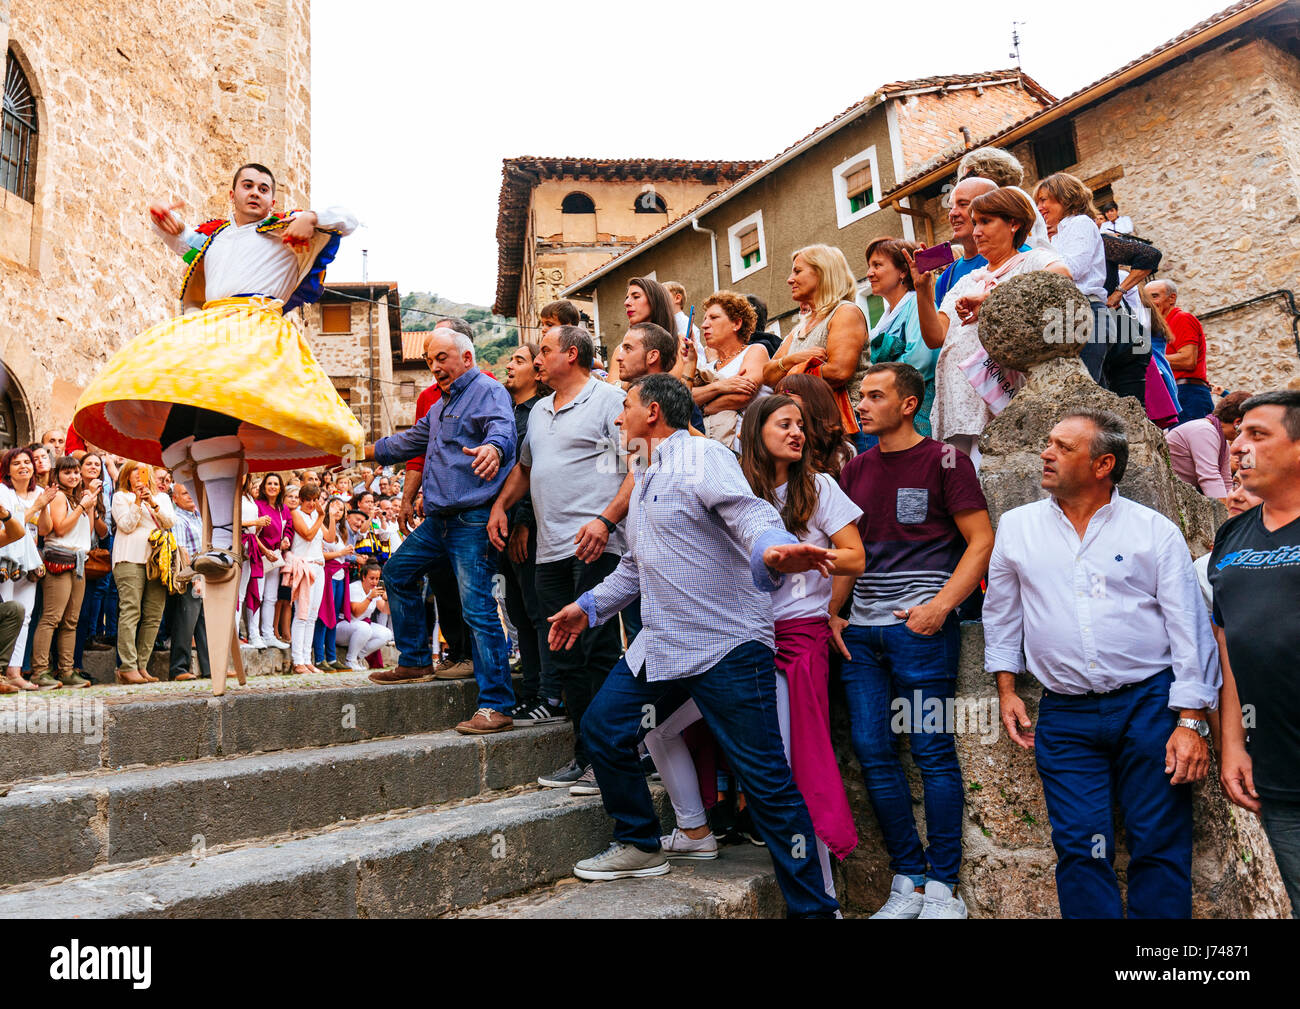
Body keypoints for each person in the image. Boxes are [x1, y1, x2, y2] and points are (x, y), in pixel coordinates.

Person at [547, 374, 841, 917]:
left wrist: (775, 549)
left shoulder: (701, 455)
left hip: (727, 645)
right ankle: (639, 841)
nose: (618, 418)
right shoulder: (646, 470)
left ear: (653, 412)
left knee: (769, 786)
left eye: (626, 407)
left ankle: (817, 910)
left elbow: (751, 513)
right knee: (603, 728)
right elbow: (633, 569)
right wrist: (585, 609)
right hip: (663, 642)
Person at [75, 164, 362, 585]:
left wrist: (311, 217)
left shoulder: (287, 229)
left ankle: (224, 545)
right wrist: (164, 224)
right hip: (208, 333)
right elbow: (182, 241)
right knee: (174, 443)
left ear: (273, 200)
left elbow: (349, 219)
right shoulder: (215, 238)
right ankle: (212, 535)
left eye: (264, 189)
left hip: (252, 333)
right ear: (232, 194)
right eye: (248, 186)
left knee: (212, 428)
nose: (255, 193)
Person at [985, 409, 1219, 918]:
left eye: (1063, 447)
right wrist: (1006, 689)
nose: (1045, 453)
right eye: (1047, 442)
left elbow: (1190, 629)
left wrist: (1191, 720)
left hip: (1149, 704)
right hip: (1064, 713)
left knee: (1158, 841)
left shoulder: (1152, 530)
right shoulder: (1016, 527)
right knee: (1079, 845)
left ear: (1102, 464)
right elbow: (1001, 615)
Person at [644, 394, 865, 900]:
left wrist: (806, 560)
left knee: (793, 770)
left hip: (793, 642)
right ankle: (693, 830)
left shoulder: (821, 487)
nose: (798, 433)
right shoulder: (733, 486)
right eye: (785, 424)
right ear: (754, 432)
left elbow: (856, 559)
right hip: (737, 640)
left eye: (802, 426)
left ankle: (821, 900)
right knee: (657, 727)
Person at [830, 363, 993, 918]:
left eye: (875, 395)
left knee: (931, 752)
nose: (862, 404)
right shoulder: (854, 471)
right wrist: (833, 612)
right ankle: (910, 880)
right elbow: (850, 553)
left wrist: (939, 609)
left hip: (918, 632)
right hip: (864, 636)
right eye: (860, 395)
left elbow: (980, 540)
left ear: (908, 404)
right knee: (874, 752)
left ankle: (945, 887)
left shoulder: (947, 460)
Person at [489, 325, 631, 785]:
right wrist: (500, 505)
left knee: (598, 651)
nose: (537, 360)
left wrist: (606, 520)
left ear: (572, 354)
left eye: (544, 351)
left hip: (596, 546)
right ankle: (586, 756)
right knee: (564, 657)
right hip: (549, 554)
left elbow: (639, 466)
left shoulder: (607, 401)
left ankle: (612, 760)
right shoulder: (540, 412)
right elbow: (526, 468)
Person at [366, 326, 517, 736]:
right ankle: (415, 660)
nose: (435, 366)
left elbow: (503, 432)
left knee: (478, 610)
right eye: (431, 359)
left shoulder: (488, 391)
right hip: (438, 521)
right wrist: (359, 449)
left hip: (471, 519)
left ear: (467, 358)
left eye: (442, 358)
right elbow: (410, 442)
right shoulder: (440, 405)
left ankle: (497, 705)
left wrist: (494, 449)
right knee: (397, 573)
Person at [1211, 391, 1300, 916]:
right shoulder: (1232, 536)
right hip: (1279, 774)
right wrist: (1233, 743)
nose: (1237, 446)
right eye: (1237, 434)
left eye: (1257, 435)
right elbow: (1228, 642)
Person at [915, 187, 1071, 464]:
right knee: (962, 486)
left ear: (1014, 224)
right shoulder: (968, 280)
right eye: (975, 223)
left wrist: (991, 297)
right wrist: (923, 291)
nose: (976, 232)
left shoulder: (1032, 260)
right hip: (959, 402)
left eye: (985, 222)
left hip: (1001, 396)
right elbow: (935, 337)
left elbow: (1061, 277)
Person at [496, 342, 562, 724]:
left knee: (539, 613)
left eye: (519, 360)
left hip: (530, 526)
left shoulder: (539, 413)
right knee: (518, 612)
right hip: (503, 525)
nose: (510, 365)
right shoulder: (506, 411)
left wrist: (522, 521)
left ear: (537, 373)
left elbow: (531, 472)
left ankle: (550, 695)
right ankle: (532, 688)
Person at [1033, 173, 1145, 401]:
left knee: (1084, 393)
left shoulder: (1080, 223)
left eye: (1045, 200)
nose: (1040, 207)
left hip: (1085, 311)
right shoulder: (1056, 234)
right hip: (1066, 314)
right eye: (1038, 201)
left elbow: (1074, 268)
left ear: (1066, 198)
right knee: (1081, 392)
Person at [762, 247, 870, 452]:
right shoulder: (801, 326)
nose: (789, 279)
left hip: (850, 428)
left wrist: (788, 372)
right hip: (815, 431)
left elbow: (838, 372)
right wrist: (795, 359)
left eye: (797, 271)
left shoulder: (845, 312)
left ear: (822, 272)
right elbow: (767, 374)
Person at [29, 457, 108, 689]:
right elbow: (60, 528)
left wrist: (89, 504)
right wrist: (84, 506)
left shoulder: (76, 498)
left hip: (80, 560)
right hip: (60, 560)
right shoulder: (60, 497)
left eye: (75, 473)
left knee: (71, 621)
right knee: (52, 617)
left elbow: (89, 533)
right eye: (67, 473)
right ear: (58, 476)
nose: (73, 477)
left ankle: (66, 670)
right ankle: (40, 671)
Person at [861, 237, 939, 437]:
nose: (869, 273)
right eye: (869, 266)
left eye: (877, 265)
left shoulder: (915, 304)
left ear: (903, 271)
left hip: (918, 412)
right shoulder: (883, 320)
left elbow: (921, 360)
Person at [110, 461, 174, 684]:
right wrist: (137, 501)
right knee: (131, 611)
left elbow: (170, 522)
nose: (139, 475)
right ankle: (127, 666)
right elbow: (126, 526)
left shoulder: (162, 498)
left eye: (144, 471)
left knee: (154, 614)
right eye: (134, 471)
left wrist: (152, 502)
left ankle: (141, 666)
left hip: (157, 562)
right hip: (129, 558)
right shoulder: (120, 497)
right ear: (126, 475)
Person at [691, 291, 768, 448]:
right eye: (705, 319)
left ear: (736, 324)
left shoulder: (755, 351)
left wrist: (702, 407)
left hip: (749, 450)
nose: (704, 325)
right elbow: (686, 399)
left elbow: (742, 394)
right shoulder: (708, 367)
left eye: (713, 318)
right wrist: (721, 386)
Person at [0, 447, 45, 690]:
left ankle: (14, 671)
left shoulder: (38, 491)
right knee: (6, 610)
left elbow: (46, 529)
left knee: (25, 616)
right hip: (7, 559)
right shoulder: (2, 491)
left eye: (27, 462)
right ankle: (1, 670)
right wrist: (37, 506)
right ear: (7, 469)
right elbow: (11, 526)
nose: (23, 466)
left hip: (29, 560)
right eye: (16, 463)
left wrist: (44, 505)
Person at [955, 146, 1053, 250]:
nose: (966, 181)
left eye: (970, 175)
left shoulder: (1010, 196)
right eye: (963, 179)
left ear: (993, 171)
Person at [616, 321, 706, 433]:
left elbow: (698, 446)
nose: (618, 357)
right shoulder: (617, 397)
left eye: (628, 348)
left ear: (652, 356)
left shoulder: (684, 407)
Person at [1147, 279, 1213, 425]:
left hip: (1188, 392)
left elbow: (1187, 360)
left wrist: (1149, 360)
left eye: (1155, 296)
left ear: (1172, 298)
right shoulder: (1158, 326)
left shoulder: (1181, 318)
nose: (1150, 302)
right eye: (1146, 298)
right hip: (1176, 392)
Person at [1166, 391, 1251, 502]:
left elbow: (1225, 481)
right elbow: (1210, 478)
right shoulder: (1204, 430)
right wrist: (1227, 515)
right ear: (1237, 423)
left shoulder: (1221, 440)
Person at [932, 176, 998, 306]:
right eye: (950, 207)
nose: (952, 214)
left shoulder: (1018, 256)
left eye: (963, 204)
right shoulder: (945, 279)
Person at [775, 372, 854, 480]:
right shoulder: (774, 440)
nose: (777, 400)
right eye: (775, 394)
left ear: (813, 400)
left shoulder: (842, 450)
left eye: (787, 393)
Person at [168, 482, 210, 681]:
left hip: (204, 574)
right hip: (190, 577)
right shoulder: (178, 518)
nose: (189, 496)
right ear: (174, 498)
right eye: (184, 493)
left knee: (204, 623)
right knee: (186, 623)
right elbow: (182, 551)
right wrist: (194, 578)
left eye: (191, 492)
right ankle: (179, 668)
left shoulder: (198, 515)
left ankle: (210, 668)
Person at [284, 483, 326, 675]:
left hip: (319, 566)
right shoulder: (296, 514)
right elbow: (308, 535)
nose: (311, 503)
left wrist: (329, 517)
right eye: (308, 499)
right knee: (301, 614)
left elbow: (331, 538)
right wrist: (322, 517)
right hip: (304, 565)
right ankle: (297, 660)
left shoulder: (317, 516)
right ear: (301, 500)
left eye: (315, 499)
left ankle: (307, 659)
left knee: (312, 616)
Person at [252, 471, 291, 649]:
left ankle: (268, 634)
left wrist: (287, 539)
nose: (273, 487)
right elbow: (253, 531)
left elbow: (289, 526)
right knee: (257, 595)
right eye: (269, 483)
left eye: (276, 484)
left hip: (276, 557)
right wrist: (265, 550)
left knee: (270, 597)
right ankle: (254, 634)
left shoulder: (283, 509)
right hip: (260, 555)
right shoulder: (257, 505)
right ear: (264, 487)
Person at [313, 495, 351, 670]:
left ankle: (332, 656)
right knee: (323, 616)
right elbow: (322, 554)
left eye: (341, 508)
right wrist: (341, 552)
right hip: (328, 573)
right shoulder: (322, 526)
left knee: (334, 617)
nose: (338, 510)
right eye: (335, 506)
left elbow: (343, 553)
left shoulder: (342, 529)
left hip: (341, 575)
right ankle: (320, 658)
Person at [336, 562, 395, 671]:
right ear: (363, 577)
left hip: (361, 627)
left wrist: (387, 599)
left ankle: (358, 657)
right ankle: (350, 660)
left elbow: (385, 610)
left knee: (386, 634)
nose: (375, 582)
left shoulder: (374, 589)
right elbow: (356, 613)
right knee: (364, 627)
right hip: (342, 626)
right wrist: (369, 597)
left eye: (377, 579)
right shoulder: (354, 587)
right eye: (372, 578)